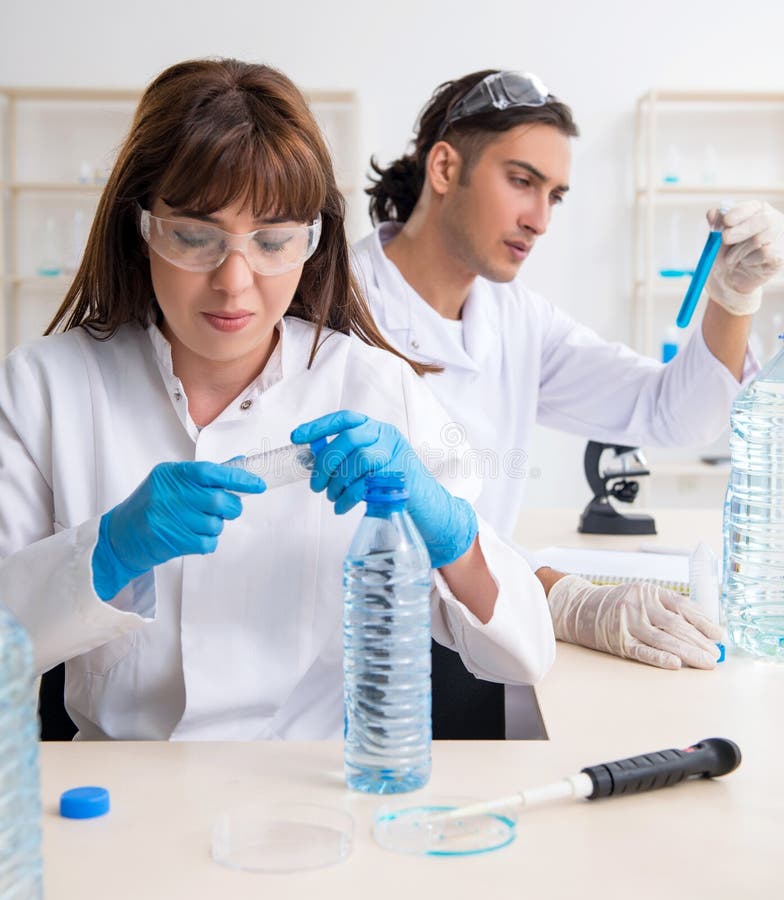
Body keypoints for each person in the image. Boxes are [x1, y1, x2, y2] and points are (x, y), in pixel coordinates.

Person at [0, 59, 555, 741]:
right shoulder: (41, 388)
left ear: (313, 242)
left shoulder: (376, 389)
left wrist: (450, 533)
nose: (235, 282)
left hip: (313, 795)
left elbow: (524, 650)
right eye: (196, 237)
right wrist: (108, 550)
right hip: (121, 796)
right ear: (139, 228)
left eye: (273, 242)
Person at [353, 69, 784, 675]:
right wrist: (564, 597)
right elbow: (382, 532)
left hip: (488, 639)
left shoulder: (516, 318)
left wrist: (733, 297)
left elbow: (669, 412)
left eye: (553, 195)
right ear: (445, 168)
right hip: (366, 647)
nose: (540, 220)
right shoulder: (340, 308)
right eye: (522, 181)